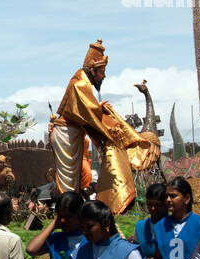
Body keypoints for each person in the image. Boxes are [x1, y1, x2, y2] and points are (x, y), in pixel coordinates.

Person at [49, 39, 159, 213]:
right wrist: (99, 111)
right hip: (66, 134)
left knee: (73, 180)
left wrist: (99, 109)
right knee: (68, 181)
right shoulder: (80, 84)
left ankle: (71, 213)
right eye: (102, 71)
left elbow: (85, 110)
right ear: (93, 70)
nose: (104, 76)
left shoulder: (83, 83)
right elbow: (86, 111)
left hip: (73, 133)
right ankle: (65, 214)